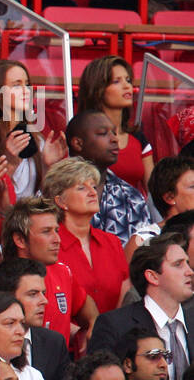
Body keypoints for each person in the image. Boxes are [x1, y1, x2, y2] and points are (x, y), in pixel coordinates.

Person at [89, 233, 194, 380]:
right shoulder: (115, 326)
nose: (190, 271)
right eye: (178, 264)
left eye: (187, 263)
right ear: (153, 277)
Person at [1, 195, 99, 343]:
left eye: (57, 231)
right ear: (20, 240)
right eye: (46, 231)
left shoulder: (62, 272)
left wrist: (93, 325)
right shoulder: (0, 283)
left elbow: (86, 305)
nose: (57, 239)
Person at [43, 157, 129, 314]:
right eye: (81, 188)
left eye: (94, 187)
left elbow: (124, 292)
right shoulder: (48, 244)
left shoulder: (112, 242)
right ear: (60, 201)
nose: (92, 193)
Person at [0, 258, 70, 380]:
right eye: (33, 294)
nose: (44, 301)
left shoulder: (54, 343)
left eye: (43, 293)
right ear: (5, 298)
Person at [65, 110, 151, 246]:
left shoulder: (131, 196)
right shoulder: (55, 191)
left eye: (114, 133)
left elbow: (143, 254)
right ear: (78, 143)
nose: (114, 139)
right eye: (103, 133)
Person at [79, 55, 150, 197]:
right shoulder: (82, 137)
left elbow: (154, 190)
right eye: (116, 81)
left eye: (128, 80)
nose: (127, 86)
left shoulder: (138, 137)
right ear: (98, 89)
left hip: (135, 216)